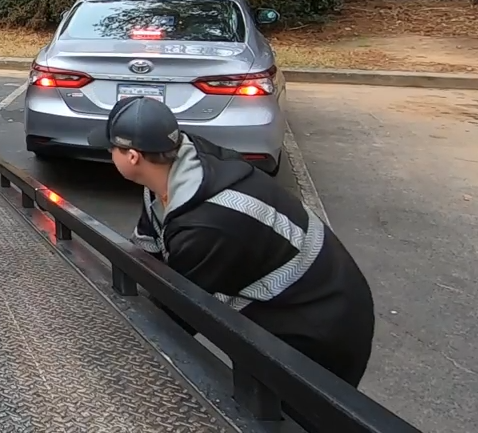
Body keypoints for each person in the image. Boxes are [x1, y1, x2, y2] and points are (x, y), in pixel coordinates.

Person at [88, 96, 376, 396]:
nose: (110, 153)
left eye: (113, 149)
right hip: (298, 297)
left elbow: (175, 315)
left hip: (321, 321)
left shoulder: (207, 226)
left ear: (133, 157)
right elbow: (145, 259)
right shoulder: (174, 172)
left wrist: (114, 364)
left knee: (284, 412)